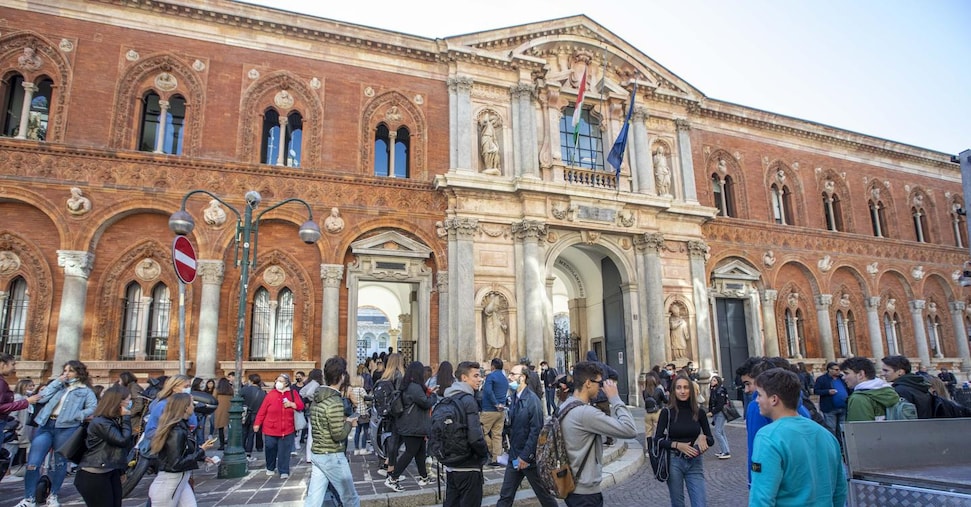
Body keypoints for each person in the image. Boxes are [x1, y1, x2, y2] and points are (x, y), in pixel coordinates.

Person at [749, 368, 846, 507]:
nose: (757, 400)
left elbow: (761, 497)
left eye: (759, 395)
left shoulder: (768, 437)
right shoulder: (826, 435)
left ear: (774, 399)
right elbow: (839, 490)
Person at [18, 360, 98, 507]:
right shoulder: (59, 387)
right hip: (46, 424)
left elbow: (93, 408)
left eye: (70, 371)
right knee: (33, 463)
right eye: (65, 370)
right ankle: (29, 498)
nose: (67, 374)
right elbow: (42, 397)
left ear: (79, 373)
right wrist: (57, 382)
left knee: (60, 463)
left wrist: (78, 415)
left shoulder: (86, 391)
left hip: (67, 427)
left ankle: (53, 495)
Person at [559, 361, 637, 507]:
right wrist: (615, 398)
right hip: (585, 491)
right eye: (599, 383)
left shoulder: (564, 406)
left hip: (571, 485)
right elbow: (630, 429)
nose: (601, 387)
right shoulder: (586, 413)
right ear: (588, 383)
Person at [736, 356, 812, 488]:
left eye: (748, 383)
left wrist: (753, 482)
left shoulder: (757, 407)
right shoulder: (801, 407)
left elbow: (757, 450)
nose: (747, 390)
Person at [496, 363, 559, 507]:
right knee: (505, 495)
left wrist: (525, 456)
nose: (509, 377)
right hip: (514, 456)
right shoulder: (512, 398)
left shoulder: (532, 401)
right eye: (510, 374)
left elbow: (536, 431)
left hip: (528, 459)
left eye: (513, 374)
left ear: (523, 377)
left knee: (544, 495)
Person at [305, 356, 360, 507]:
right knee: (351, 498)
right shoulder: (335, 401)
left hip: (318, 452)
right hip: (332, 454)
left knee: (314, 499)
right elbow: (338, 435)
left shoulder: (317, 397)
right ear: (342, 376)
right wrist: (349, 422)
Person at [654, 374, 714, 507]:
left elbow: (711, 440)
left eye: (686, 387)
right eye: (679, 387)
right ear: (674, 390)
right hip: (674, 461)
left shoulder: (699, 412)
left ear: (691, 390)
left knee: (700, 503)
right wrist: (677, 445)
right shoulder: (667, 412)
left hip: (695, 461)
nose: (682, 391)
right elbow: (657, 440)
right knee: (678, 503)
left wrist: (703, 438)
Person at [147, 393, 215, 507]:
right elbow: (176, 463)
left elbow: (182, 450)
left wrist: (202, 457)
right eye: (192, 404)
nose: (194, 407)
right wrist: (201, 451)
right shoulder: (176, 431)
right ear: (185, 408)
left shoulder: (181, 426)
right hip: (169, 484)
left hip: (180, 481)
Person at [74, 385, 133, 507]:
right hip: (94, 472)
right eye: (128, 400)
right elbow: (122, 441)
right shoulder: (101, 422)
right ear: (118, 402)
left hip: (110, 469)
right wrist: (126, 418)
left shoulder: (113, 420)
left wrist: (120, 470)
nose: (129, 403)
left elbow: (118, 450)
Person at [441, 361, 489, 507]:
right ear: (464, 378)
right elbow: (475, 437)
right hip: (469, 464)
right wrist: (484, 454)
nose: (480, 379)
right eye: (475, 376)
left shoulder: (448, 398)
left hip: (451, 463)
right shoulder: (468, 400)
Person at [385, 361, 438, 492]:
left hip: (414, 425)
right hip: (413, 425)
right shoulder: (414, 387)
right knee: (410, 452)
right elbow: (425, 402)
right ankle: (393, 478)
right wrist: (434, 396)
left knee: (420, 452)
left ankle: (424, 477)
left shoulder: (408, 385)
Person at [253, 374, 304, 479]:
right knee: (270, 448)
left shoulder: (293, 393)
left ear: (287, 383)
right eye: (277, 381)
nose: (278, 383)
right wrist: (257, 423)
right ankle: (270, 467)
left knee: (284, 451)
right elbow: (262, 410)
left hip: (287, 428)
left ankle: (284, 470)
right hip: (270, 428)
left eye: (281, 381)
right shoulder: (270, 395)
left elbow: (300, 406)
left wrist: (291, 404)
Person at [840, 357, 902, 421]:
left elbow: (858, 426)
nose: (843, 377)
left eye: (846, 373)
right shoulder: (889, 392)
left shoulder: (859, 398)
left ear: (861, 374)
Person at [480, 358, 508, 466]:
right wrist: (500, 404)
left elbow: (488, 391)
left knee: (481, 431)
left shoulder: (491, 376)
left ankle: (491, 451)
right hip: (501, 410)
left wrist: (495, 403)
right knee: (497, 435)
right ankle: (497, 457)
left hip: (489, 409)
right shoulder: (504, 378)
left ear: (492, 366)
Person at [812, 361, 848, 445]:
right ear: (829, 370)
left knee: (842, 429)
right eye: (836, 370)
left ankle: (842, 446)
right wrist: (828, 391)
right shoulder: (822, 379)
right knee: (831, 429)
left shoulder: (842, 378)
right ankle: (833, 445)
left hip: (843, 407)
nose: (838, 371)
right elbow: (816, 391)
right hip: (830, 409)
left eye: (839, 370)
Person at [0, 353, 40, 421]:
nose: (14, 368)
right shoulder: (1, 382)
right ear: (3, 365)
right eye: (13, 364)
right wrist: (26, 402)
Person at [240, 374, 266, 461]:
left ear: (250, 381)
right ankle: (248, 453)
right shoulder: (262, 392)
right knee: (251, 434)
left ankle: (241, 450)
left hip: (245, 413)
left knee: (243, 433)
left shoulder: (245, 389)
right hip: (256, 414)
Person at [299, 368, 322, 461]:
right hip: (315, 409)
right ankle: (312, 455)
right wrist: (315, 398)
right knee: (314, 433)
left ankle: (309, 456)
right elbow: (308, 393)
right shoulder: (316, 384)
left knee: (310, 433)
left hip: (310, 410)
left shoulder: (310, 383)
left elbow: (302, 392)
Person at [707, 374, 731, 459]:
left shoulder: (720, 391)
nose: (712, 381)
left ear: (718, 382)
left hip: (720, 413)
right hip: (716, 413)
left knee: (717, 432)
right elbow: (711, 402)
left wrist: (712, 412)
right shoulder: (713, 390)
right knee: (721, 432)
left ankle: (726, 451)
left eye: (714, 380)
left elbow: (720, 404)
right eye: (712, 380)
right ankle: (724, 450)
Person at [642, 372, 666, 444]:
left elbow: (645, 400)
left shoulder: (644, 392)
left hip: (648, 413)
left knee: (648, 432)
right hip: (657, 412)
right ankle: (656, 446)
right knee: (657, 431)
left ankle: (648, 448)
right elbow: (665, 400)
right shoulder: (658, 390)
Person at [213, 378, 232, 450]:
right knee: (230, 427)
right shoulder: (231, 390)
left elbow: (213, 399)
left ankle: (222, 444)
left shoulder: (217, 390)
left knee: (220, 428)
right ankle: (230, 443)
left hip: (219, 410)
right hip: (229, 409)